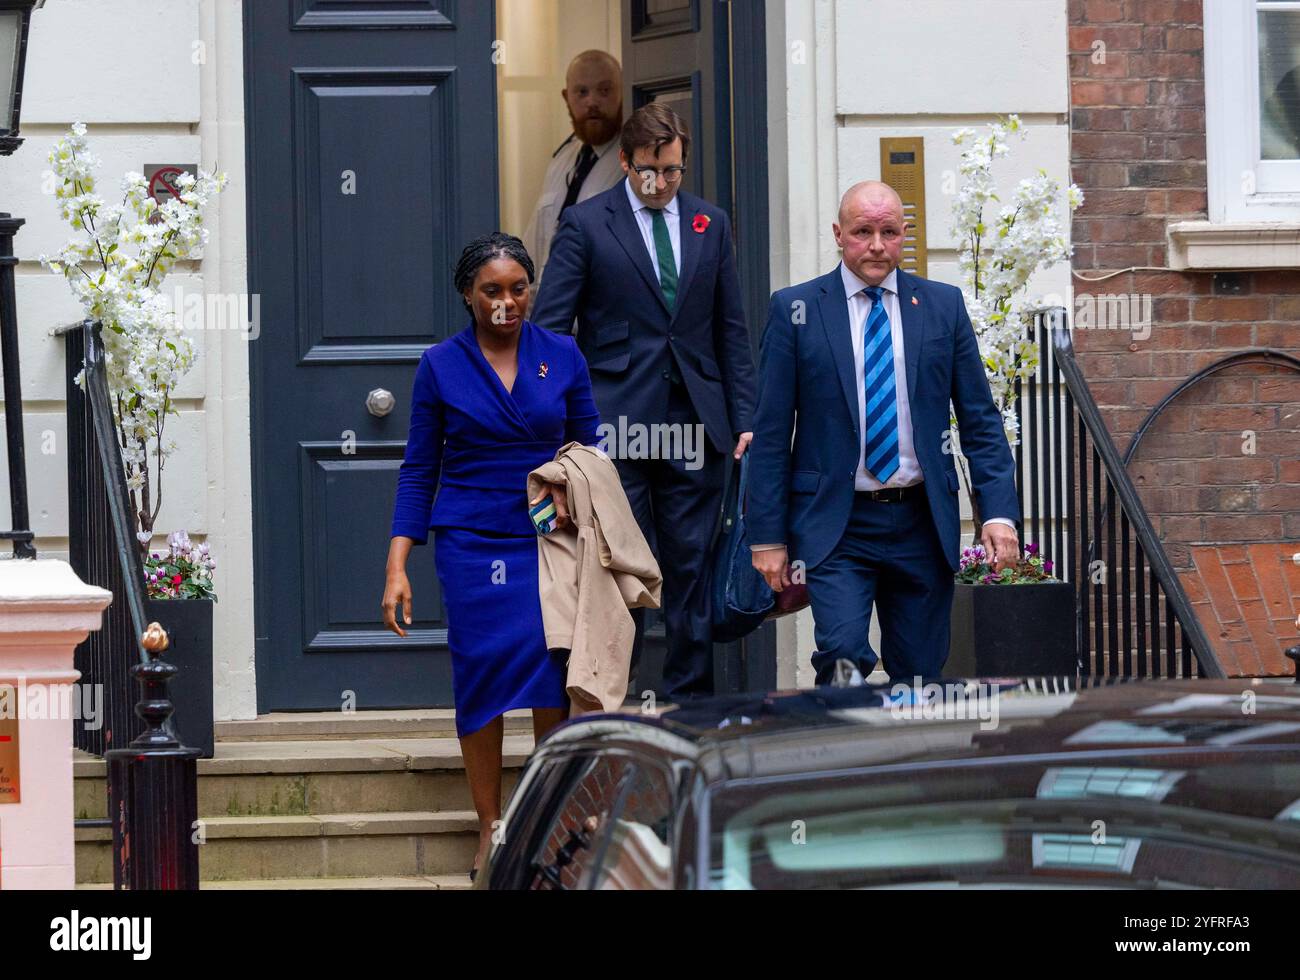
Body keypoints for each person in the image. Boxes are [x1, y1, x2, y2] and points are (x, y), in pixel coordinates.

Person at [382, 232, 600, 880]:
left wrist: (576, 508)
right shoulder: (440, 365)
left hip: (548, 539)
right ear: (468, 296)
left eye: (517, 288)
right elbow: (419, 469)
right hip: (472, 544)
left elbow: (589, 456)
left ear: (531, 290)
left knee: (550, 677)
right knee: (480, 675)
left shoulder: (562, 355)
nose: (506, 302)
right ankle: (492, 826)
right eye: (492, 291)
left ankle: (554, 825)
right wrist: (398, 564)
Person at [747, 180, 1021, 685]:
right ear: (838, 234)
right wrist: (766, 535)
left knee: (920, 674)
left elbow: (981, 422)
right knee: (844, 655)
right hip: (837, 524)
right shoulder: (796, 310)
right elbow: (769, 434)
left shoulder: (942, 306)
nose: (876, 244)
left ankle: (908, 762)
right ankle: (844, 758)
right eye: (863, 231)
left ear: (904, 235)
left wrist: (999, 513)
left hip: (921, 520)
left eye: (889, 232)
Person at [532, 102, 756, 702]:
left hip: (694, 425)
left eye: (674, 171)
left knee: (690, 570)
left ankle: (689, 712)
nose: (661, 184)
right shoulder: (586, 223)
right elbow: (551, 334)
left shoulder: (712, 223)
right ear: (626, 162)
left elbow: (729, 328)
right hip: (612, 428)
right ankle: (613, 702)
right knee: (615, 569)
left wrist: (745, 419)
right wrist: (559, 430)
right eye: (649, 171)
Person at [522, 50, 626, 283]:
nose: (593, 102)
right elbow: (533, 248)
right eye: (582, 92)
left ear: (624, 92)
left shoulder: (635, 163)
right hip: (551, 311)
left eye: (605, 90)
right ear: (566, 97)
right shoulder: (561, 160)